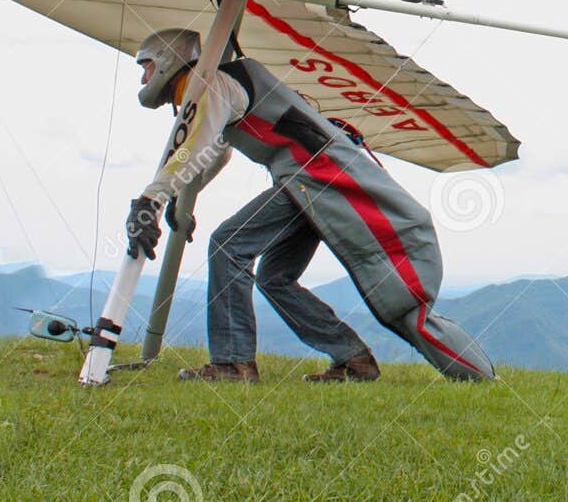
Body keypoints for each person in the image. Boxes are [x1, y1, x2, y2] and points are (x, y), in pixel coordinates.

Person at [124, 28, 495, 385]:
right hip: (312, 183)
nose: (144, 80)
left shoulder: (215, 84)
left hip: (309, 177)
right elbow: (214, 151)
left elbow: (193, 145)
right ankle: (353, 359)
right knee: (275, 277)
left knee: (228, 244)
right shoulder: (220, 88)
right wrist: (183, 196)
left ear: (167, 59)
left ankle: (233, 364)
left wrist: (151, 200)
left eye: (147, 68)